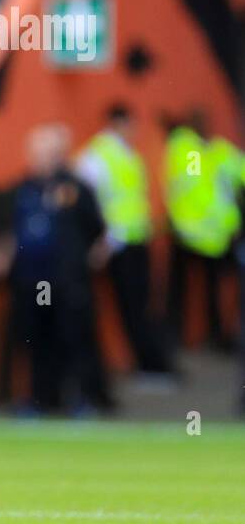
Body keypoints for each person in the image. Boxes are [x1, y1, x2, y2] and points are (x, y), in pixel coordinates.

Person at [2, 124, 111, 414]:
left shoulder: (76, 188)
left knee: (74, 338)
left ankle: (81, 399)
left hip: (67, 279)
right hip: (34, 280)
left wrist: (81, 262)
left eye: (46, 152)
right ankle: (41, 400)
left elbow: (97, 230)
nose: (40, 158)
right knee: (37, 339)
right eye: (36, 152)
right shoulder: (24, 188)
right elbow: (13, 230)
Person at [76, 105, 176, 385]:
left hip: (136, 240)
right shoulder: (96, 157)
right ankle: (150, 366)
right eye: (131, 124)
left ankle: (155, 363)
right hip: (117, 246)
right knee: (133, 309)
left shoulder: (126, 153)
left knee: (143, 307)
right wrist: (105, 241)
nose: (135, 131)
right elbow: (90, 205)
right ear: (118, 123)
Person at [164, 114, 244, 352]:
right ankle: (205, 337)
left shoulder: (214, 151)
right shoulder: (190, 151)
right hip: (197, 233)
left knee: (209, 289)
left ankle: (215, 336)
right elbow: (194, 183)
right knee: (196, 290)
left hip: (208, 234)